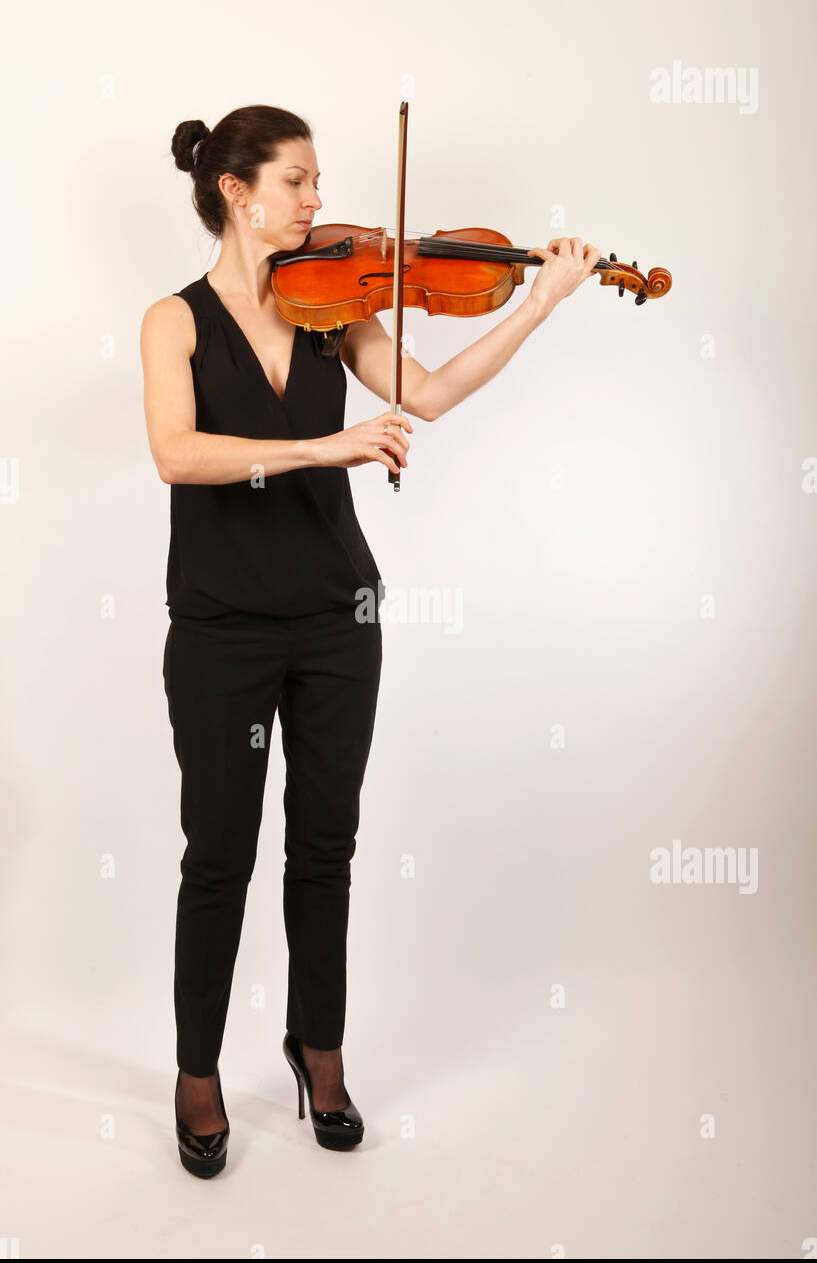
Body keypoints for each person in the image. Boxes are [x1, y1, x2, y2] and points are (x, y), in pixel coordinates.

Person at [140, 103, 599, 1175]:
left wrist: (537, 305)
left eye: (317, 180)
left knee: (325, 847)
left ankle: (319, 1047)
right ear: (237, 193)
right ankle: (197, 1070)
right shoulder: (174, 320)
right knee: (218, 855)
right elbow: (175, 454)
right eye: (296, 181)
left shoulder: (333, 304)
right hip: (218, 628)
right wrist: (322, 447)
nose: (317, 200)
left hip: (336, 621)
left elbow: (427, 394)